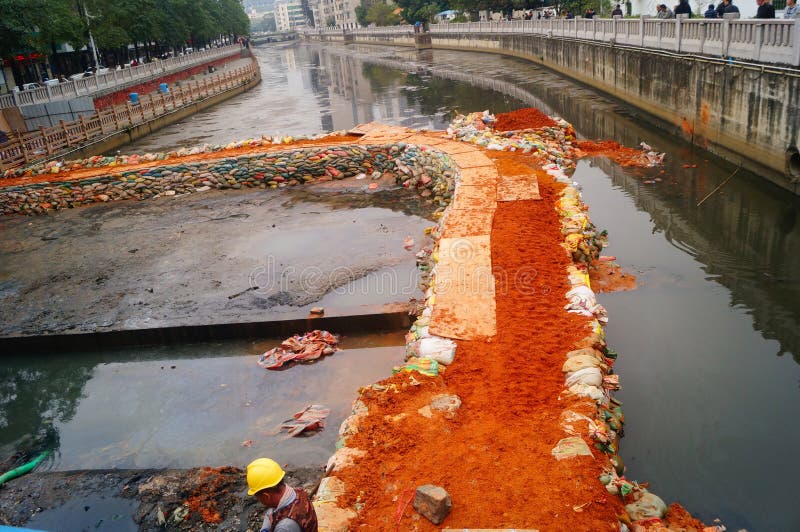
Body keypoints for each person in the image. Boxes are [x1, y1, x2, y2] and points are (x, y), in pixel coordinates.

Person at [247, 458, 318, 532]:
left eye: (258, 497)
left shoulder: (284, 527)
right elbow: (270, 512)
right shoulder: (299, 491)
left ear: (266, 496)